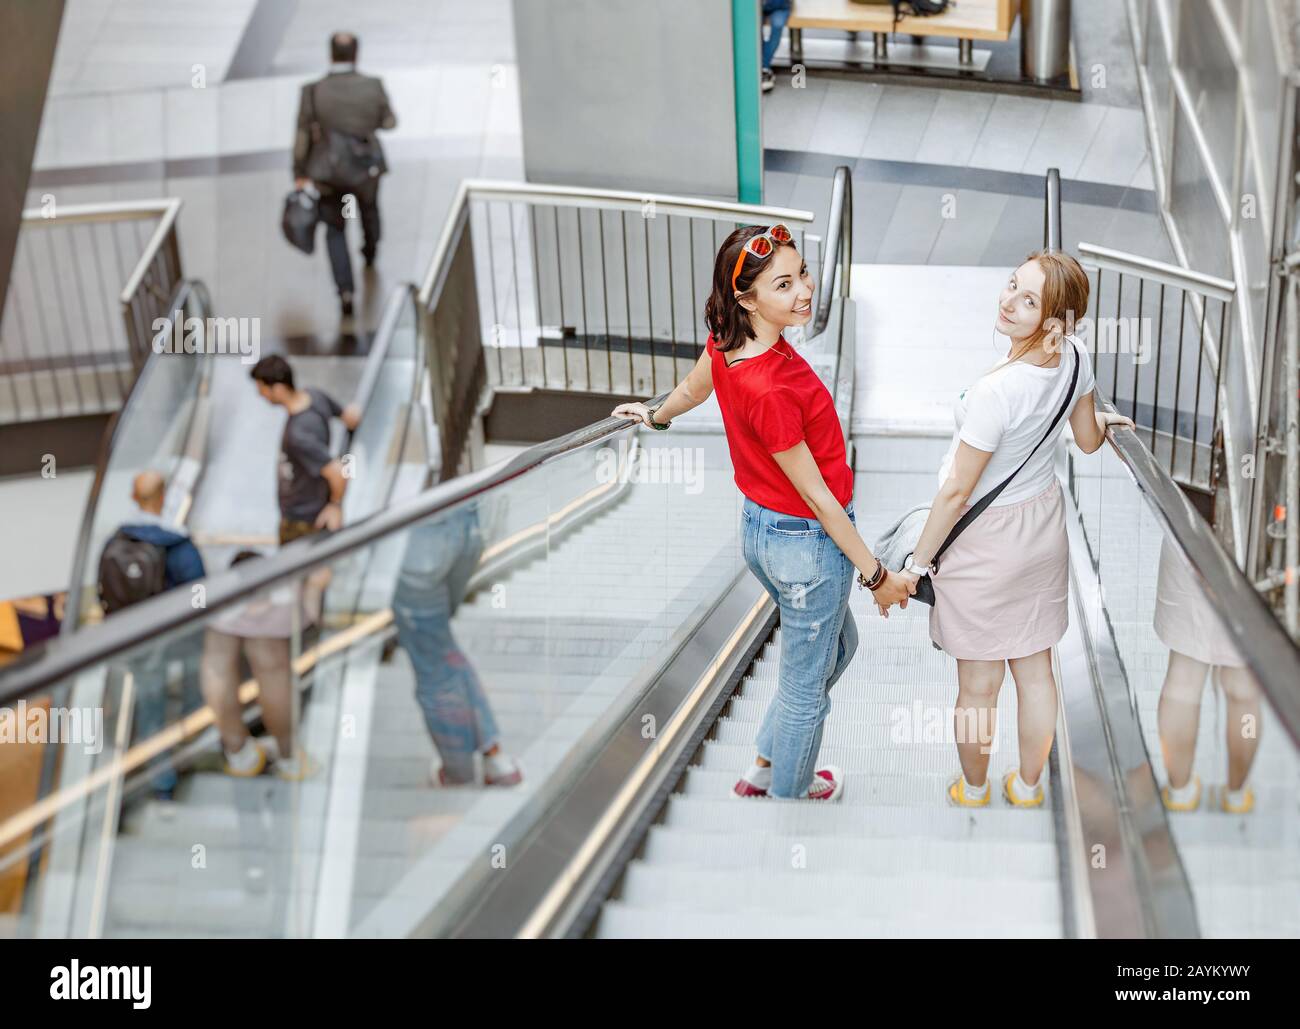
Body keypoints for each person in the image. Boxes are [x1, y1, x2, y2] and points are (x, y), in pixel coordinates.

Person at [613, 224, 913, 801]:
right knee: (806, 686)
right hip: (806, 545)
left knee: (835, 647)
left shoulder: (727, 342)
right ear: (747, 299)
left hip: (763, 534)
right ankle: (790, 792)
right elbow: (820, 499)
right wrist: (877, 577)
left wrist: (656, 415)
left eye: (801, 273)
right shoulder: (771, 387)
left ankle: (764, 763)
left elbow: (694, 390)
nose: (805, 290)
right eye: (785, 284)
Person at [898, 252, 1134, 809]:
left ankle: (974, 788)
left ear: (1055, 320)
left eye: (1029, 300)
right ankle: (1028, 788)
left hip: (983, 546)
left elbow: (957, 491)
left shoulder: (996, 393)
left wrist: (915, 566)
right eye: (1012, 286)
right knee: (1035, 672)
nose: (1008, 301)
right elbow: (1086, 440)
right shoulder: (1075, 358)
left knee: (979, 686)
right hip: (1042, 529)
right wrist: (1103, 420)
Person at [392, 505, 522, 787]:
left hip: (417, 542)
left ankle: (458, 771)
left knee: (433, 667)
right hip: (465, 522)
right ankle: (493, 756)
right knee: (443, 648)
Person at [114, 471, 207, 801]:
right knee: (192, 697)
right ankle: (191, 754)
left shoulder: (117, 540)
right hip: (181, 640)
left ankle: (161, 781)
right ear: (164, 497)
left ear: (133, 496)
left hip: (140, 642)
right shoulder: (177, 544)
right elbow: (199, 594)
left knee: (150, 710)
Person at [292, 31, 397, 318]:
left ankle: (345, 290)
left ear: (330, 55)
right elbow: (389, 122)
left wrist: (299, 172)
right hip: (365, 170)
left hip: (328, 173)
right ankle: (370, 250)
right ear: (356, 55)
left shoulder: (312, 91)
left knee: (335, 229)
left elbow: (302, 135)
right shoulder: (373, 86)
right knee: (369, 210)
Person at [1152, 538, 1261, 814]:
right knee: (1243, 689)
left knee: (1183, 678)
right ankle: (1236, 795)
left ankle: (1179, 792)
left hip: (1192, 529)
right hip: (1255, 548)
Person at [199, 551, 318, 781]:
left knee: (217, 658)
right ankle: (289, 756)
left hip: (212, 553)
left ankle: (239, 755)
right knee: (271, 664)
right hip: (271, 553)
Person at [249, 354, 360, 545]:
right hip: (309, 505)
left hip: (303, 519)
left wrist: (335, 506)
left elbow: (339, 472)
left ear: (278, 388)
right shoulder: (315, 396)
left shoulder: (298, 436)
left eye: (262, 389)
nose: (260, 395)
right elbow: (349, 417)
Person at [761, 1, 792, 92]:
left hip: (780, 6)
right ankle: (764, 68)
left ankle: (764, 67)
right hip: (756, 6)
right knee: (753, 28)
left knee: (777, 25)